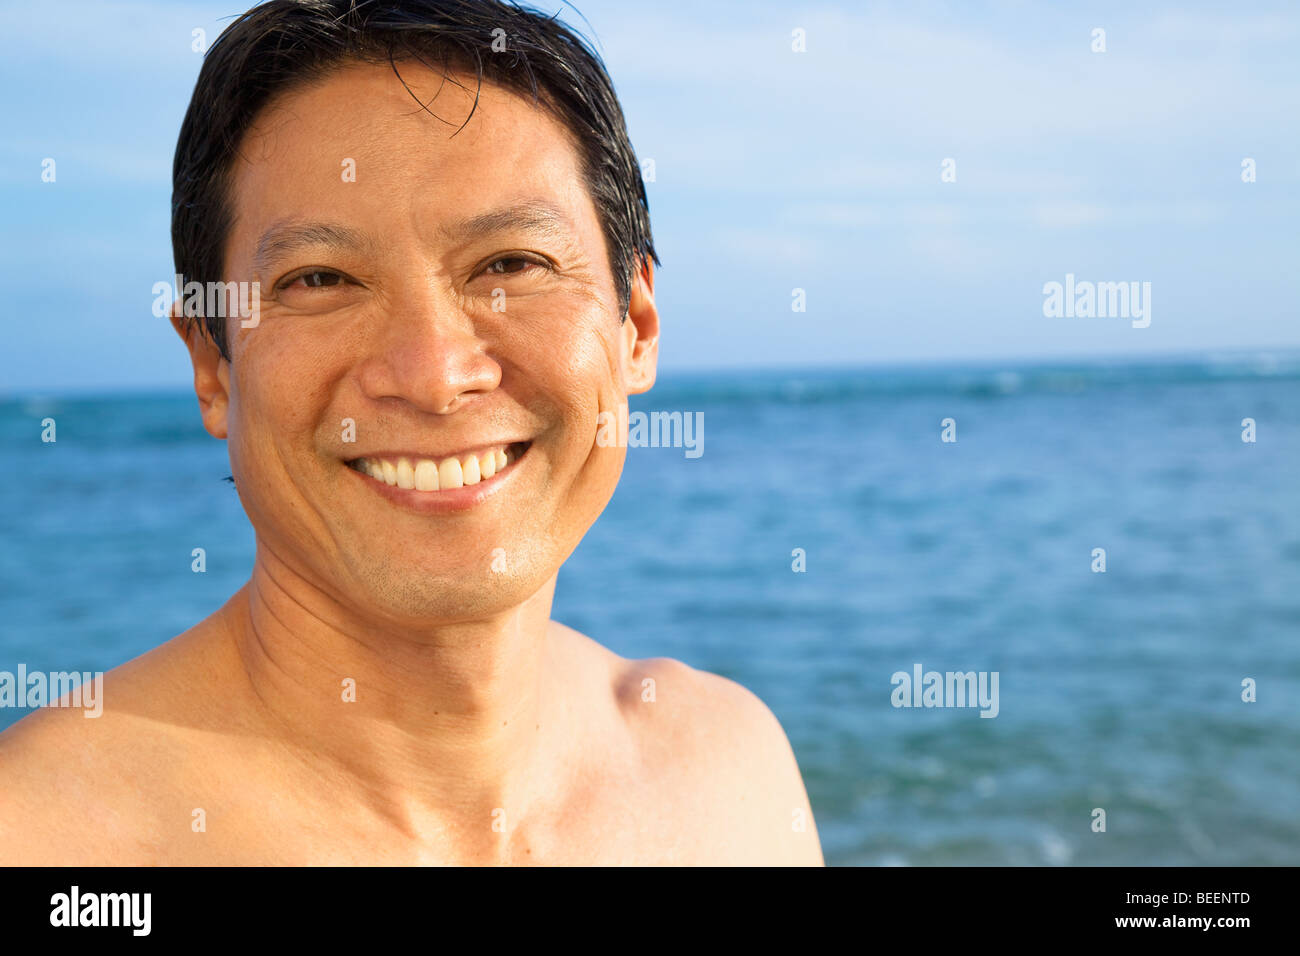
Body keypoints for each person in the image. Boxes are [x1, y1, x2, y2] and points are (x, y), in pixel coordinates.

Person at [0, 0, 822, 866]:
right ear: (212, 363)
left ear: (638, 326)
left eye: (510, 265)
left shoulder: (727, 778)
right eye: (321, 280)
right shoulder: (49, 839)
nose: (433, 375)